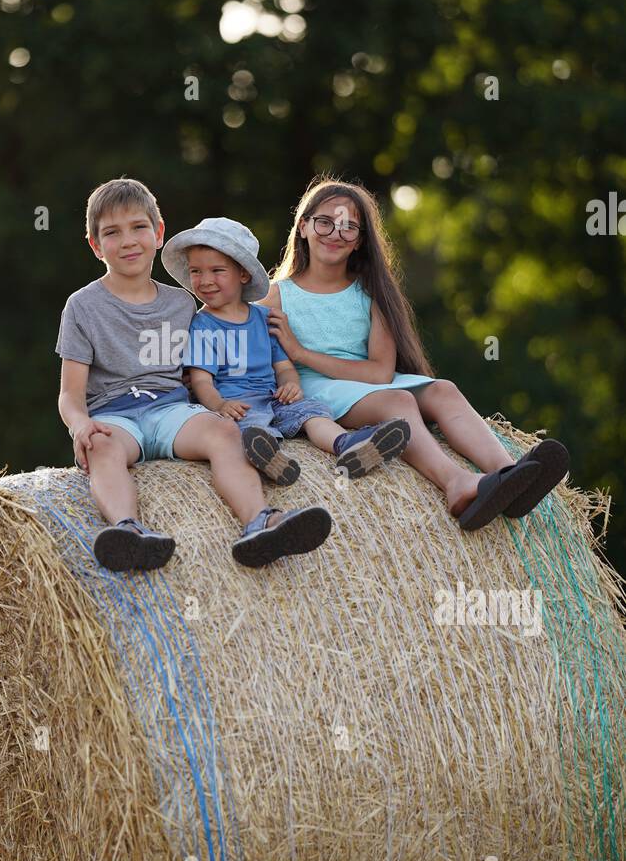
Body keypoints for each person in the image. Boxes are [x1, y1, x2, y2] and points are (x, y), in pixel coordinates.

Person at [55, 177, 332, 570]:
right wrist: (80, 425)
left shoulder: (183, 303)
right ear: (95, 245)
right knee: (102, 448)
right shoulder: (82, 307)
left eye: (138, 227)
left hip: (172, 410)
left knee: (224, 433)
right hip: (114, 414)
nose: (129, 240)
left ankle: (260, 522)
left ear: (158, 233)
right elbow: (70, 394)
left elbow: (213, 357)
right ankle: (129, 532)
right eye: (112, 233)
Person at [263, 177, 569, 532]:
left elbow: (380, 371)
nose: (336, 233)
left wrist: (302, 350)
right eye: (325, 222)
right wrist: (296, 357)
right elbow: (233, 333)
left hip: (371, 381)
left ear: (360, 240)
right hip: (318, 389)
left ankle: (510, 475)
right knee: (399, 403)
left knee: (444, 390)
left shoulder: (372, 294)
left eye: (349, 227)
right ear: (303, 226)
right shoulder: (275, 295)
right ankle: (455, 482)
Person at [160, 216, 410, 485]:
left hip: (273, 397)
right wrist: (220, 405)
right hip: (238, 406)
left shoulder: (265, 318)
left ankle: (346, 443)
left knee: (311, 412)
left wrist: (291, 385)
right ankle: (269, 457)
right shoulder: (202, 325)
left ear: (243, 273)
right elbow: (200, 380)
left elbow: (284, 367)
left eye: (216, 270)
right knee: (251, 429)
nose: (204, 280)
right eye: (196, 271)